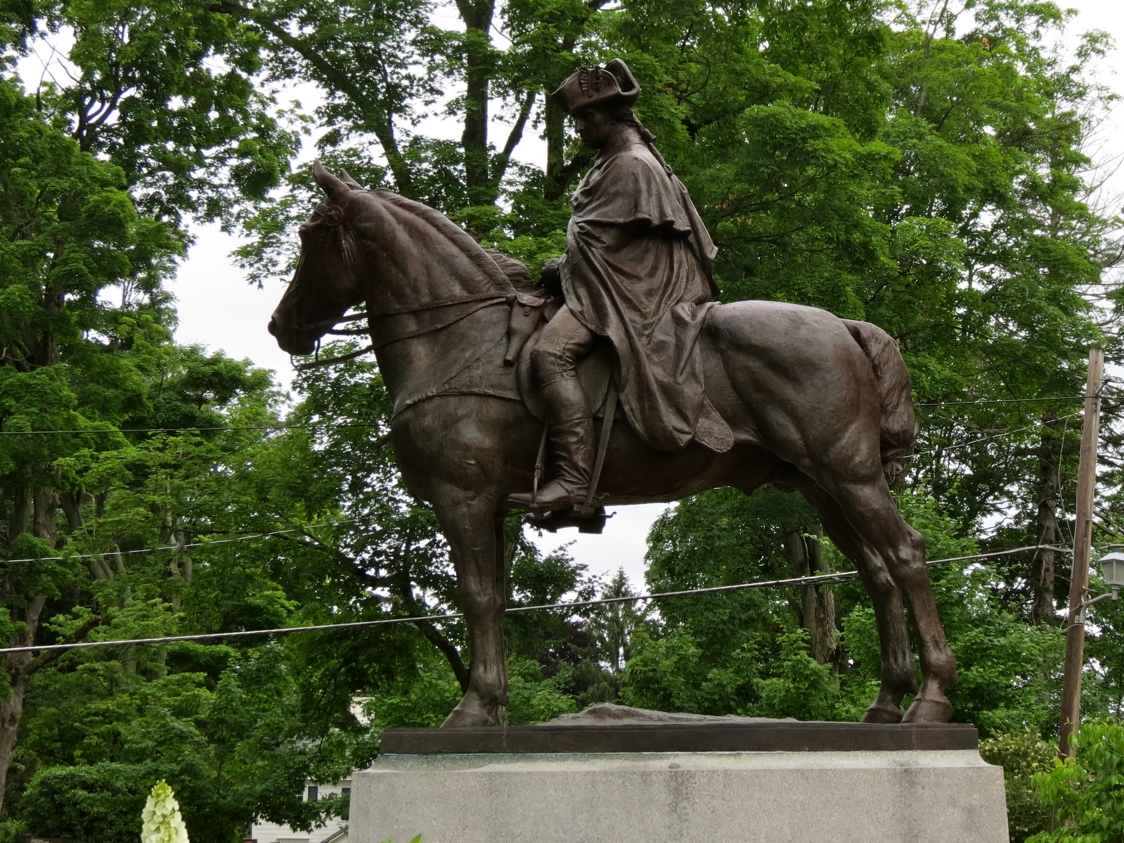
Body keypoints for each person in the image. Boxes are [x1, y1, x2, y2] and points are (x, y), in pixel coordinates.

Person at [510, 59, 730, 513]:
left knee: (550, 354)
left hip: (637, 291)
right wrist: (565, 265)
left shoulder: (630, 164)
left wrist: (561, 269)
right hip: (615, 279)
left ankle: (573, 479)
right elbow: (603, 240)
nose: (578, 129)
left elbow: (606, 245)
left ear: (608, 117)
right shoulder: (612, 161)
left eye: (584, 118)